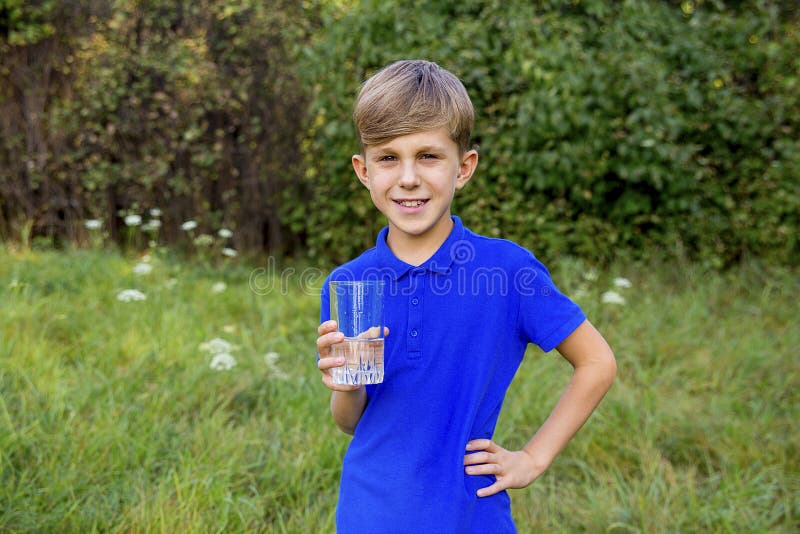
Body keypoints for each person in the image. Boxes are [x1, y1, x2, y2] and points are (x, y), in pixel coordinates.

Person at [315, 59, 616, 533]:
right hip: (368, 513)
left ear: (464, 167)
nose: (408, 177)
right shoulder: (350, 283)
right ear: (364, 170)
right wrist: (346, 388)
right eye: (388, 158)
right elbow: (352, 423)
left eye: (429, 156)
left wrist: (533, 459)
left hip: (470, 515)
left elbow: (597, 362)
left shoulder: (508, 272)